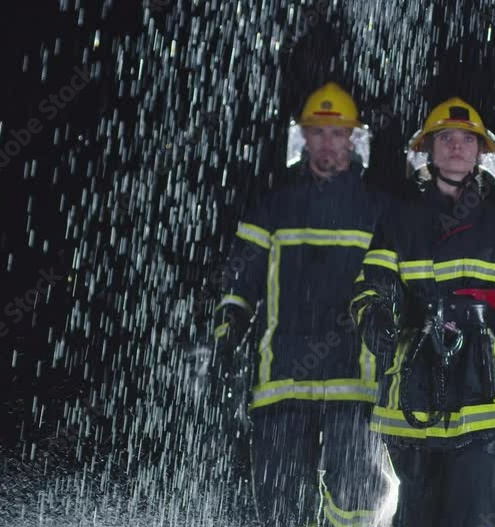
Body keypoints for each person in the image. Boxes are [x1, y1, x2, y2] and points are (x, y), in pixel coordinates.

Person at [349, 97, 495, 526]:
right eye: (446, 138)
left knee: (477, 509)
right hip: (414, 390)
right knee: (417, 515)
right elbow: (372, 287)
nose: (457, 146)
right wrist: (378, 319)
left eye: (466, 140)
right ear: (429, 150)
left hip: (487, 391)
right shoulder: (399, 221)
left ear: (480, 152)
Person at [213, 82, 390, 527]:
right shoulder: (273, 206)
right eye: (318, 132)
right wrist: (227, 330)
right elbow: (241, 280)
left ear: (353, 139)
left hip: (355, 378)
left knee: (357, 498)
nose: (327, 143)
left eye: (337, 133)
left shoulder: (379, 210)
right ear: (303, 138)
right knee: (280, 500)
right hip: (283, 377)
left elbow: (396, 283)